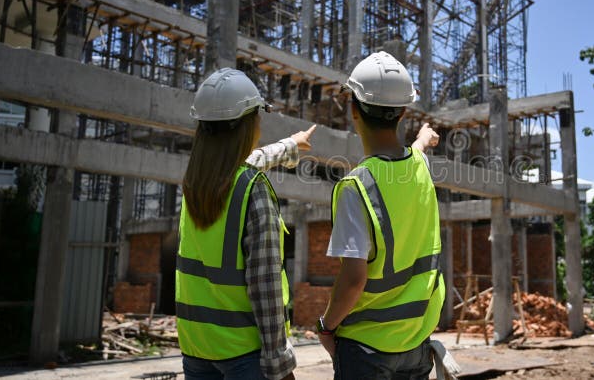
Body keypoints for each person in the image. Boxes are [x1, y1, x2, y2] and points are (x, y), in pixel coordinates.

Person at [176, 67, 313, 380]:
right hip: (244, 354)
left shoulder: (195, 183)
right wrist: (279, 363)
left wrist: (290, 145)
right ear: (246, 126)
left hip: (197, 346)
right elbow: (265, 287)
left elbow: (245, 160)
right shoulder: (252, 189)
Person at [316, 52, 445, 379]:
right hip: (416, 342)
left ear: (353, 110)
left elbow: (354, 279)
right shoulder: (420, 169)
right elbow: (416, 153)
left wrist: (326, 326)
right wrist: (423, 138)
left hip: (366, 348)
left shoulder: (356, 186)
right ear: (402, 112)